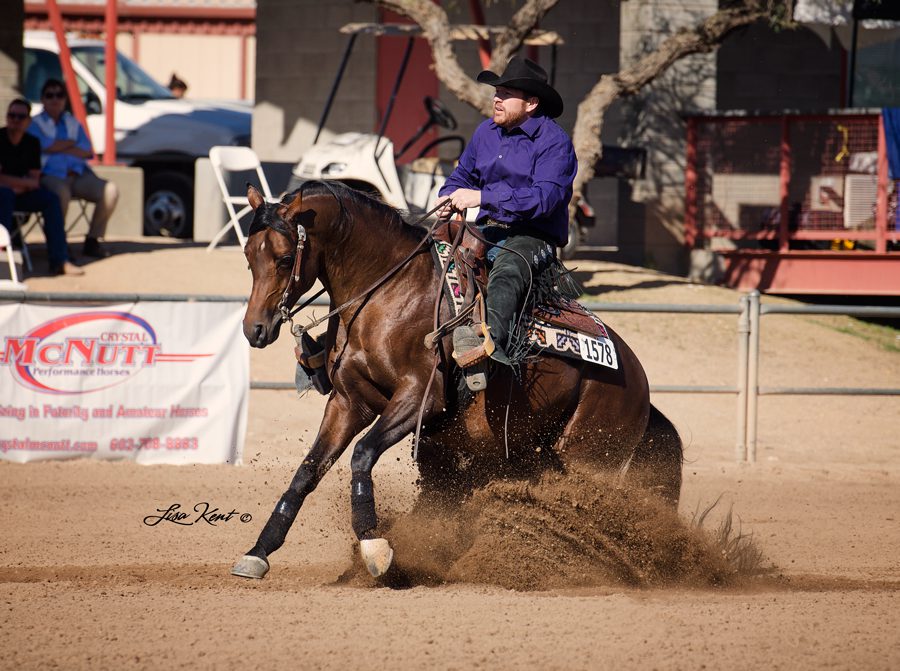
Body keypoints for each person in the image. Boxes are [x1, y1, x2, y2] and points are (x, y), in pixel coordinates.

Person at [436, 56, 577, 385]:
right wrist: (447, 196)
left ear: (531, 103)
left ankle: (486, 353)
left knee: (509, 270)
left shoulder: (555, 143)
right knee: (431, 245)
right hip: (487, 231)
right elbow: (461, 177)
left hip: (533, 237)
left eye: (505, 93)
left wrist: (483, 198)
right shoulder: (485, 132)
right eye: (495, 92)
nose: (495, 99)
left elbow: (544, 200)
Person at [27, 78, 118, 259]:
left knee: (110, 191)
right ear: (43, 99)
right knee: (61, 193)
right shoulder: (34, 123)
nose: (55, 99)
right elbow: (42, 146)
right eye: (50, 95)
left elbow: (86, 151)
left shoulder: (72, 122)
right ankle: (58, 242)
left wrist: (56, 146)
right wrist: (70, 145)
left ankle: (92, 240)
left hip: (77, 174)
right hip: (49, 175)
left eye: (59, 95)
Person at [0, 98, 83, 276]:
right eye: (11, 115)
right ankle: (3, 257)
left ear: (28, 121)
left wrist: (16, 185)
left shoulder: (32, 143)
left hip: (22, 194)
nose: (15, 120)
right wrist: (20, 184)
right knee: (4, 194)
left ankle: (59, 260)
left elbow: (34, 181)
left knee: (51, 200)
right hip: (4, 195)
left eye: (20, 116)